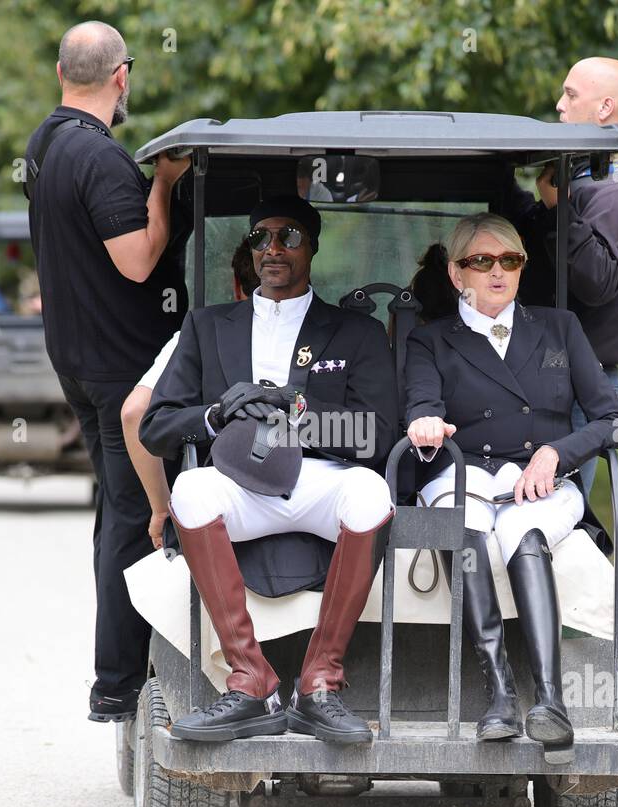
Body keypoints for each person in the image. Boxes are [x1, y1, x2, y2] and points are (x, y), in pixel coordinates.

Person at [140, 195, 398, 743]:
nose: (273, 249)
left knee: (372, 493)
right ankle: (250, 678)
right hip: (241, 486)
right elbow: (155, 426)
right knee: (190, 489)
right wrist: (216, 414)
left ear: (313, 246)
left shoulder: (356, 332)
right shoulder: (207, 326)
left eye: (289, 237)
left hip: (317, 479)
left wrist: (296, 418)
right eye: (260, 238)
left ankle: (320, 682)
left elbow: (377, 434)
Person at [404, 213, 618, 748]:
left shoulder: (559, 328)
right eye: (481, 262)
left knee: (524, 536)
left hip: (539, 478)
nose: (497, 272)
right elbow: (420, 406)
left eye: (510, 260)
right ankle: (499, 692)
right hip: (462, 471)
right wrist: (426, 424)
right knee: (469, 530)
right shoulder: (431, 340)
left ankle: (550, 699)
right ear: (457, 274)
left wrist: (557, 451)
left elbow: (612, 420)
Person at [24, 20, 191, 724]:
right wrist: (165, 184)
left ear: (63, 72)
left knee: (115, 512)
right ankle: (119, 682)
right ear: (121, 76)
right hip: (123, 369)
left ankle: (129, 664)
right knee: (136, 519)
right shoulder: (101, 159)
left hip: (76, 360)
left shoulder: (43, 144)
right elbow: (137, 260)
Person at [503, 56, 618, 501]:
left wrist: (558, 208)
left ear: (605, 108)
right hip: (549, 375)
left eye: (571, 95)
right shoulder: (590, 180)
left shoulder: (616, 191)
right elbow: (538, 247)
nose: (559, 105)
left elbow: (597, 281)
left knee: (552, 513)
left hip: (577, 383)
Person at [120, 238, 257, 550]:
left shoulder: (198, 334)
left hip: (219, 496)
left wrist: (161, 507)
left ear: (236, 285)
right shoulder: (332, 334)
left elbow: (134, 412)